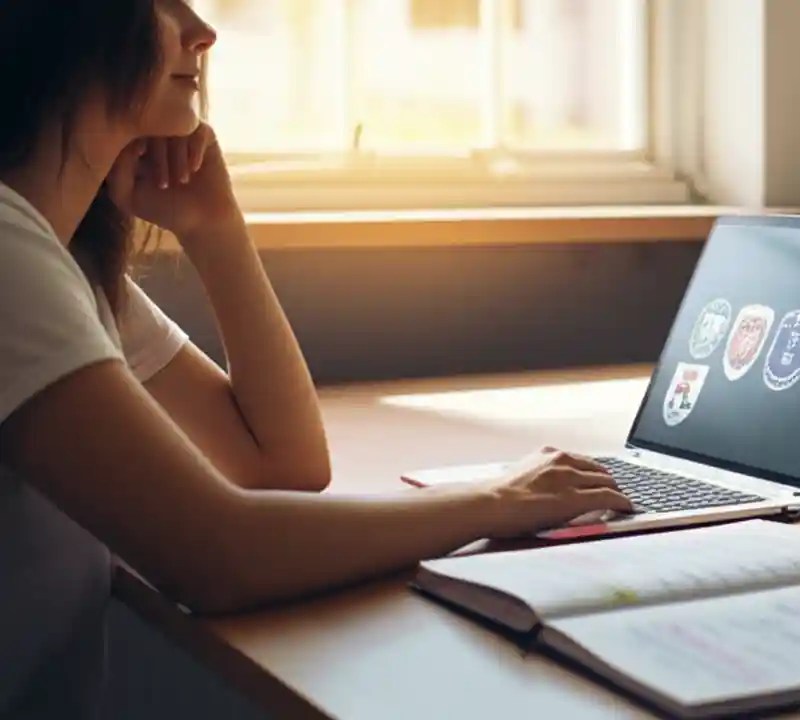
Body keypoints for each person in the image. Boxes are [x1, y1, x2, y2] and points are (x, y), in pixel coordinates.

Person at [0, 1, 631, 716]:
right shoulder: (8, 254)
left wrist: (215, 227)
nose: (201, 32)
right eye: (162, 5)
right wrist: (498, 502)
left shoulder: (66, 265)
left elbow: (284, 465)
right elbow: (215, 556)